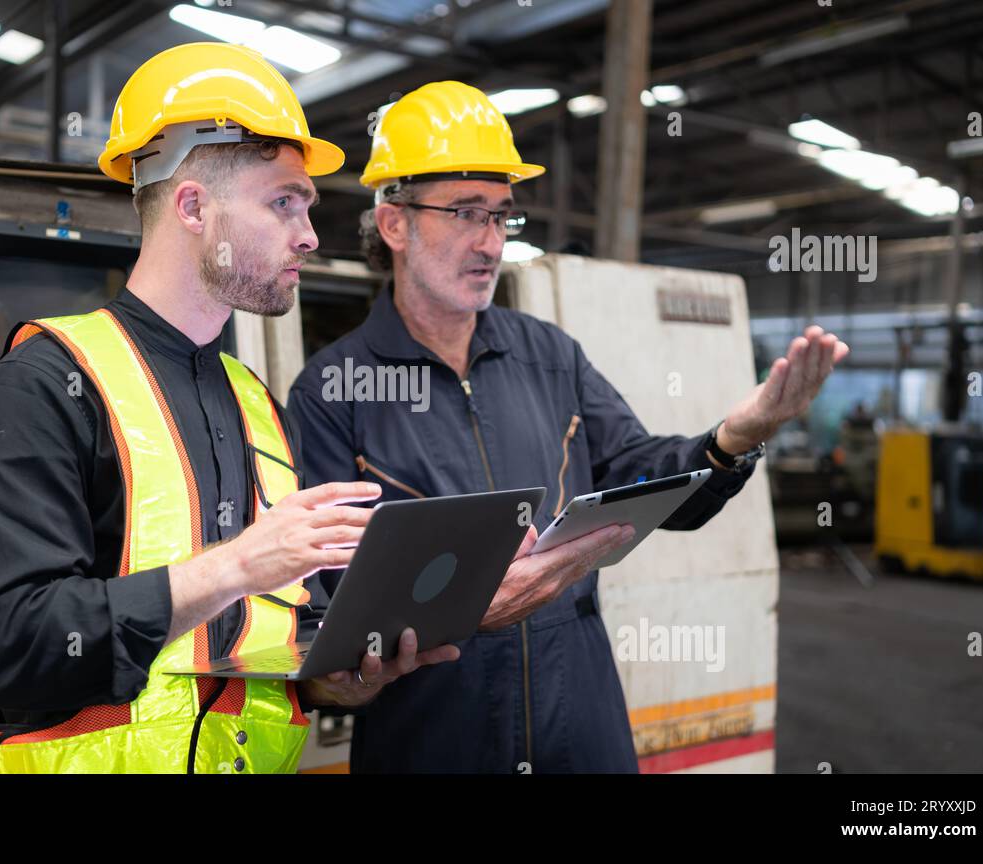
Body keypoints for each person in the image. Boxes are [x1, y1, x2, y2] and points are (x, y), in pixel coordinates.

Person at [288, 81, 849, 773]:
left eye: (501, 218)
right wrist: (457, 614)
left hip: (580, 729)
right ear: (395, 222)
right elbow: (326, 611)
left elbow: (641, 472)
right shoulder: (330, 392)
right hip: (436, 738)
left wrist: (735, 436)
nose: (489, 243)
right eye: (465, 213)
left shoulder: (548, 356)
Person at [0, 43, 457, 774]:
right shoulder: (44, 382)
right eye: (283, 202)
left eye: (308, 207)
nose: (310, 235)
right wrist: (238, 565)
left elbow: (261, 645)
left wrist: (341, 680)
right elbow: (12, 645)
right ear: (193, 206)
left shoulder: (252, 400)